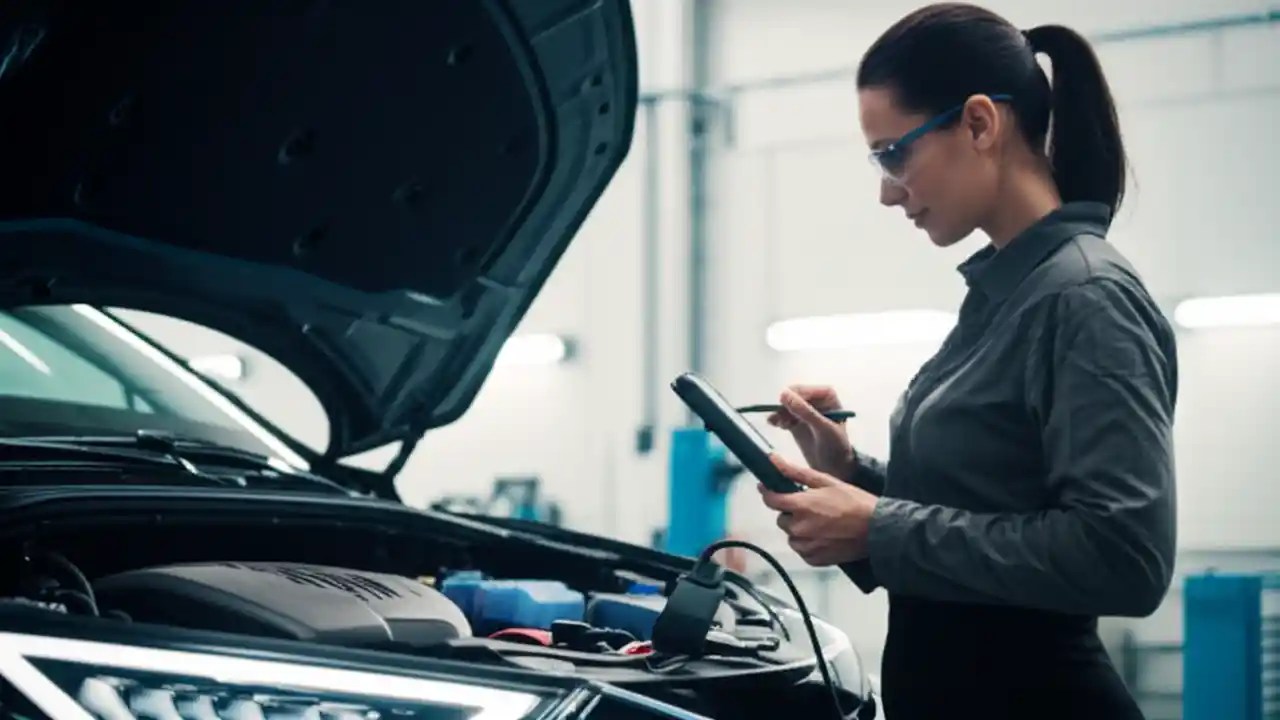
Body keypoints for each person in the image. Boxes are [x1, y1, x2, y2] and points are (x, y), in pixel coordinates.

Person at [758, 4, 1177, 718]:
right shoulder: (1008, 293)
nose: (887, 191)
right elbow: (989, 505)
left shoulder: (1085, 297)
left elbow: (1122, 555)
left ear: (980, 124)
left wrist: (878, 527)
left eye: (893, 154)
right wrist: (850, 473)